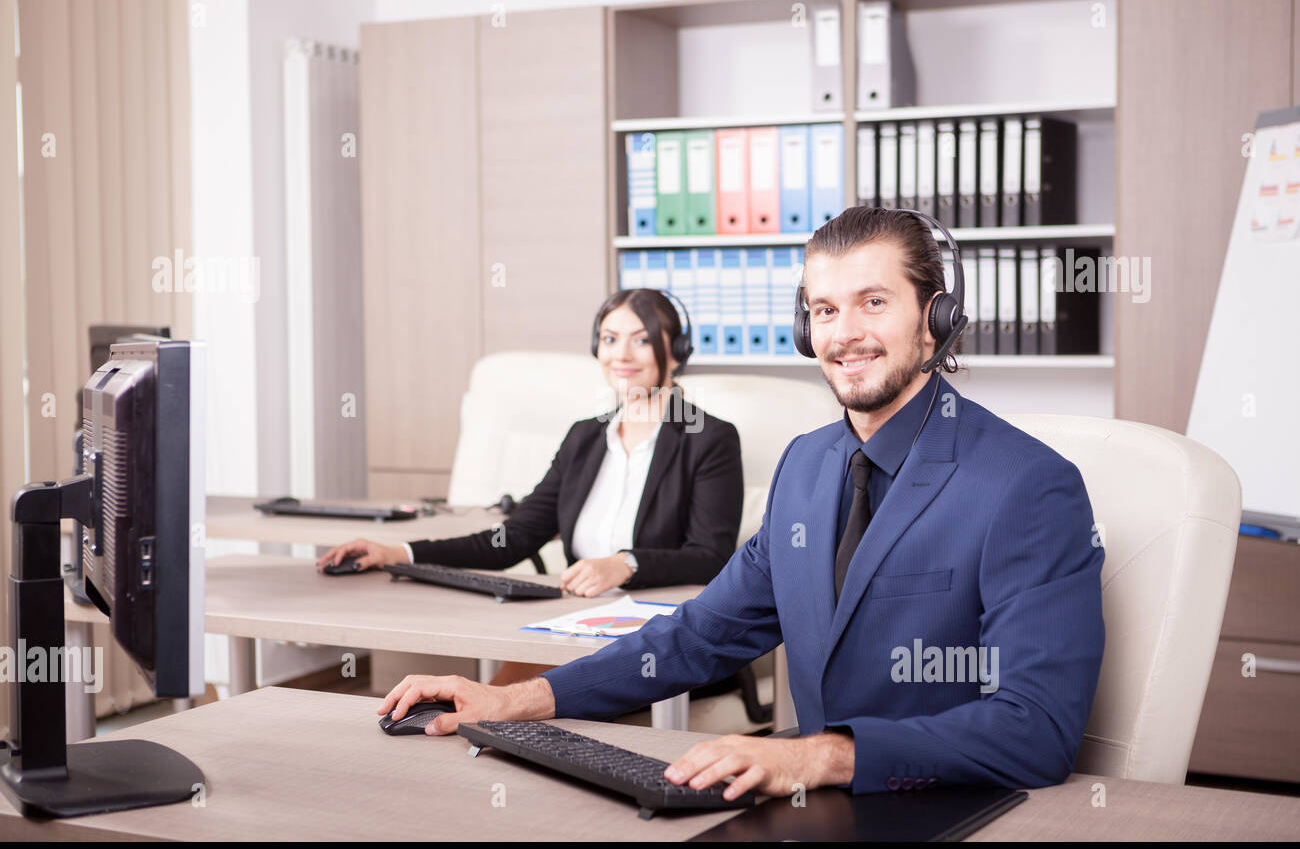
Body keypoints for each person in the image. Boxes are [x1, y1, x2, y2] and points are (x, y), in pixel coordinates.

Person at [377, 207, 1106, 800]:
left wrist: (816, 759)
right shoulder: (805, 467)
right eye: (824, 309)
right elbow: (696, 638)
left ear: (935, 319)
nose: (844, 333)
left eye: (873, 303)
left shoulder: (1026, 486)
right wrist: (513, 700)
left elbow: (1036, 731)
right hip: (813, 799)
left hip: (947, 808)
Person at [318, 288, 744, 687]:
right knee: (485, 706)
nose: (621, 355)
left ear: (677, 351)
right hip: (577, 624)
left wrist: (627, 564)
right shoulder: (584, 438)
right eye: (610, 339)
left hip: (662, 635)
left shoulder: (709, 439)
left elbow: (710, 557)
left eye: (641, 340)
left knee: (500, 704)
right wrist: (399, 554)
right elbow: (513, 539)